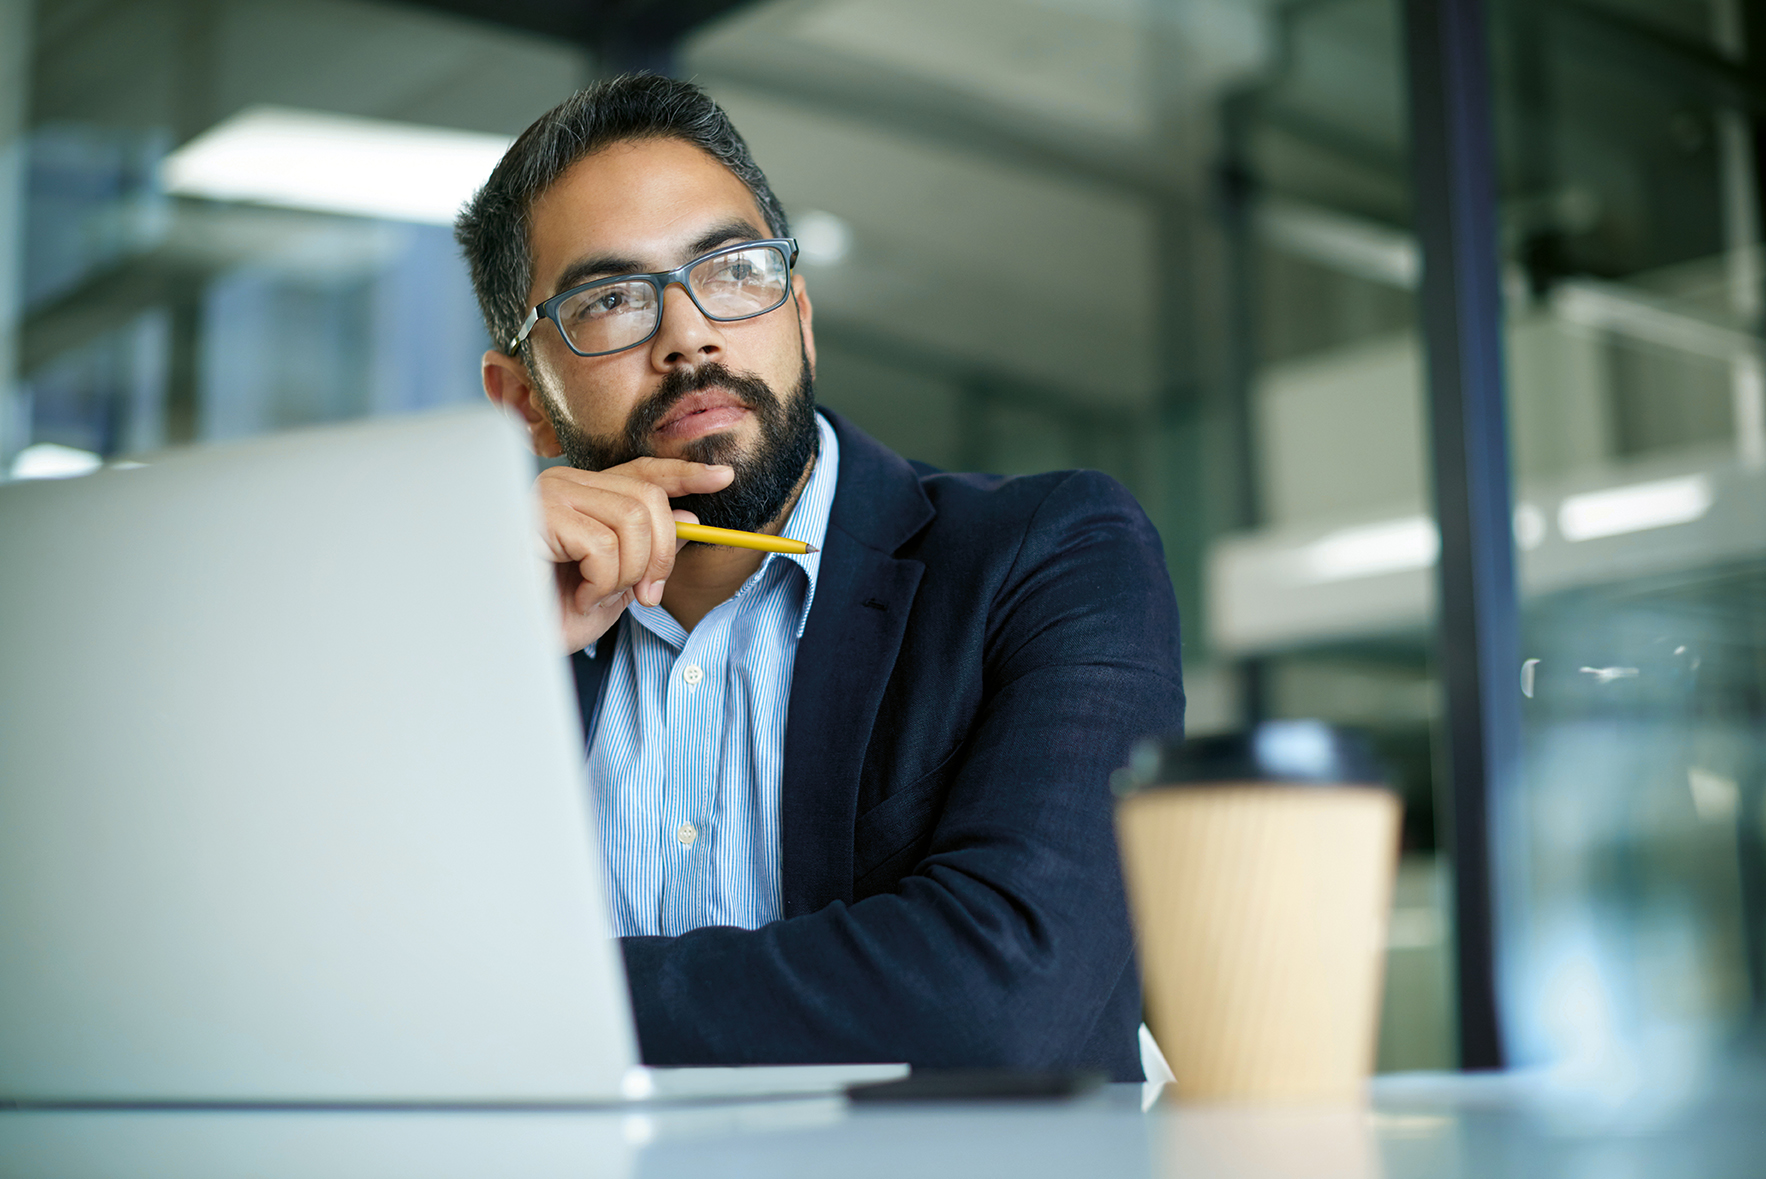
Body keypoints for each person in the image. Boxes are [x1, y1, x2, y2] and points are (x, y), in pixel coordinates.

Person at [455, 75, 1183, 1081]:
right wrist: (480, 653)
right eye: (610, 299)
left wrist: (505, 1011)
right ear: (522, 403)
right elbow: (322, 984)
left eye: (734, 270)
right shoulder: (475, 632)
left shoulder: (1049, 555)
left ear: (798, 316)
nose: (689, 336)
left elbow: (1003, 1009)